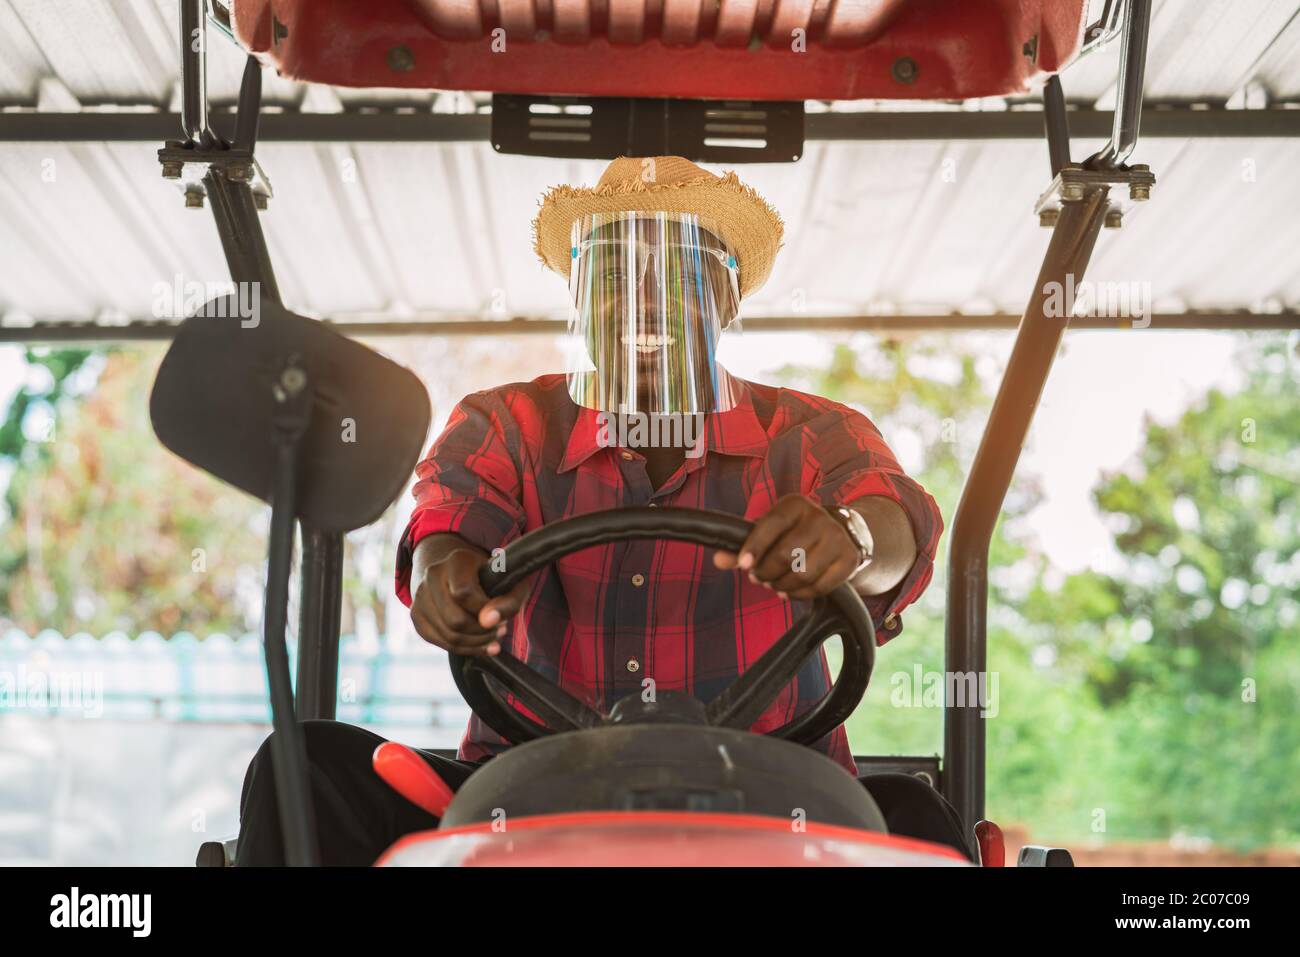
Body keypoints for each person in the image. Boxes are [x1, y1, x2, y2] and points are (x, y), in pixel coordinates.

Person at [235, 156, 974, 865]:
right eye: (615, 272)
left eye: (680, 273)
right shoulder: (508, 422)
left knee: (917, 820)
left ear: (727, 300)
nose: (644, 298)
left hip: (774, 802)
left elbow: (895, 525)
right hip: (528, 798)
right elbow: (450, 523)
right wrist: (447, 577)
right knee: (304, 768)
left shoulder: (809, 432)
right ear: (580, 297)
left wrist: (850, 536)